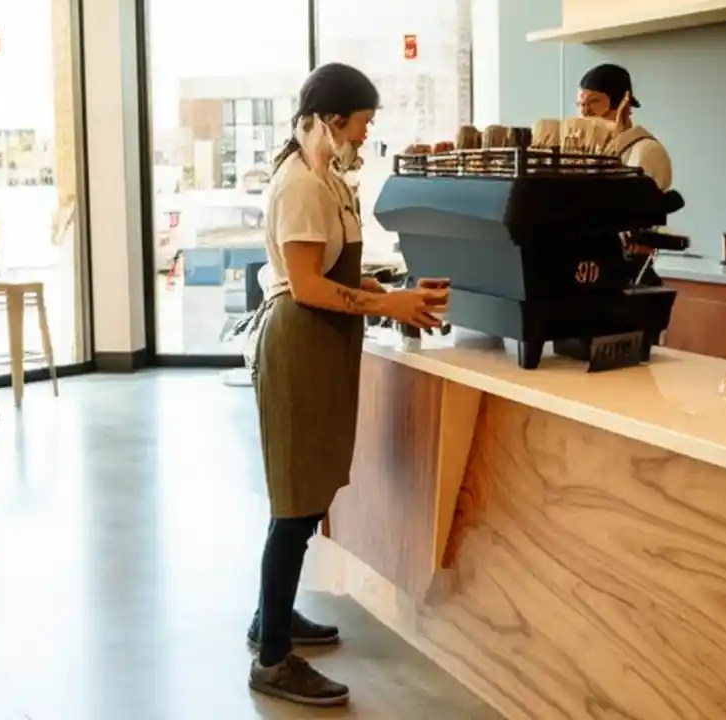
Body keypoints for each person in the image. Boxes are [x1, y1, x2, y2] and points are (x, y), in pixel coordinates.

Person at [246, 62, 449, 707]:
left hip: (323, 345)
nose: (366, 134)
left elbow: (334, 274)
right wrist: (388, 309)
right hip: (300, 347)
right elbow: (304, 286)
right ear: (333, 120)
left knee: (307, 496)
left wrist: (386, 293)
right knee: (295, 504)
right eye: (363, 122)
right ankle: (272, 660)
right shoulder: (301, 185)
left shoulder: (325, 177)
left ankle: (268, 620)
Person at [577, 63, 673, 191]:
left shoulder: (647, 151)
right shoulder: (587, 152)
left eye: (594, 102)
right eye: (581, 104)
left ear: (624, 105)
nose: (585, 112)